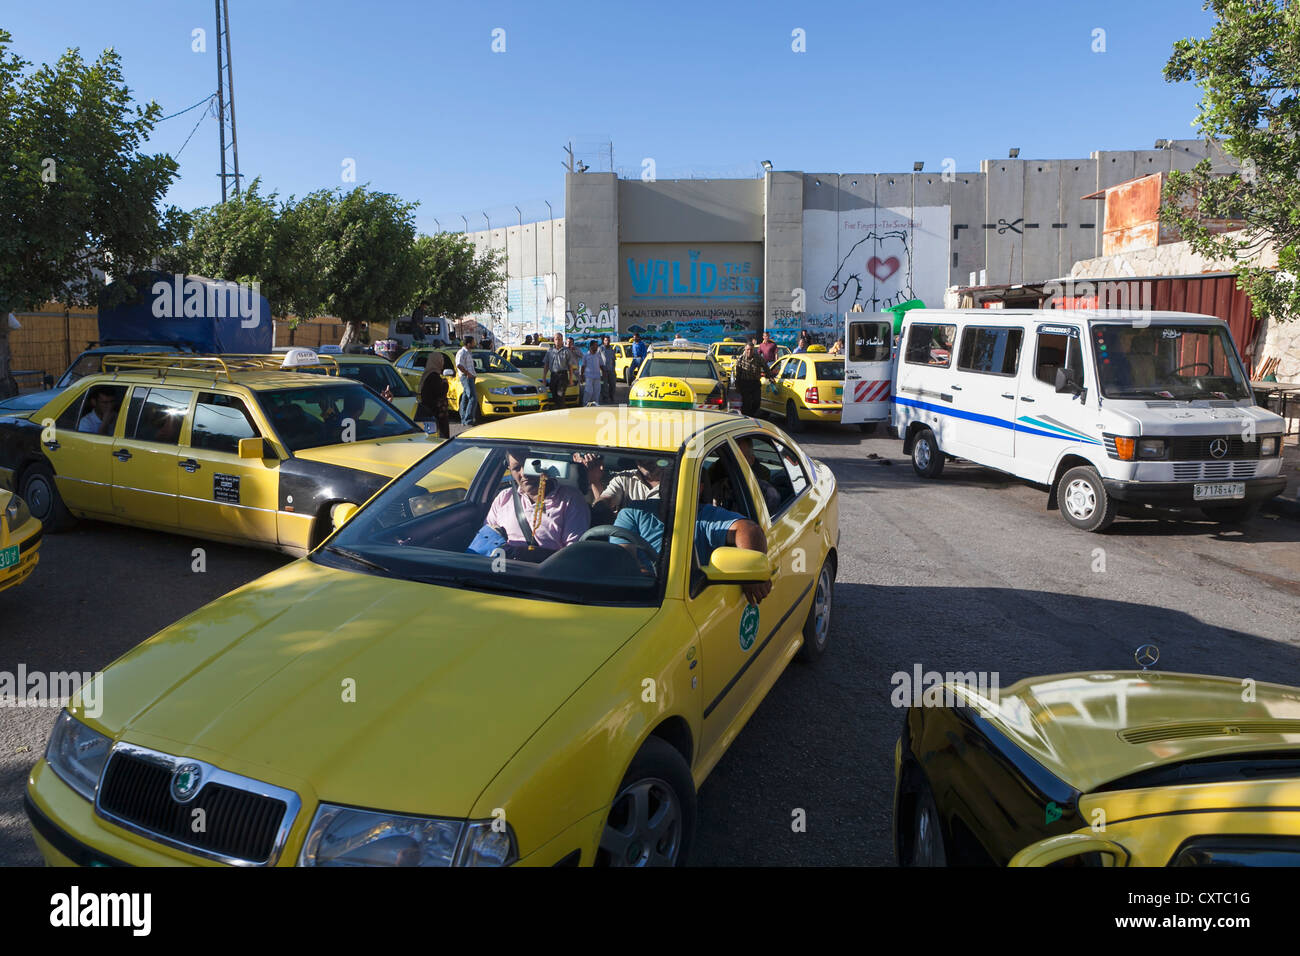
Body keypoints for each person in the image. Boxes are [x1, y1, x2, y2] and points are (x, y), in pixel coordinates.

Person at [613, 498, 771, 605]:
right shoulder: (633, 512)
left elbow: (749, 531)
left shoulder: (705, 517)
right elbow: (622, 557)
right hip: (632, 595)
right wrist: (641, 574)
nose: (671, 487)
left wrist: (751, 571)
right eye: (668, 481)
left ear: (699, 489)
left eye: (678, 480)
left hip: (679, 600)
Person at [484, 451, 591, 554]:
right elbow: (486, 538)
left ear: (544, 464)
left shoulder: (570, 499)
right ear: (510, 470)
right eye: (516, 468)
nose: (524, 473)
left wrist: (533, 555)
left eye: (530, 466)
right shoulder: (504, 498)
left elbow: (573, 554)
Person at [416, 350, 452, 439]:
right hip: (436, 412)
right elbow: (440, 392)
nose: (442, 362)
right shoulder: (433, 377)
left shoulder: (429, 374)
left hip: (430, 410)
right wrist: (445, 384)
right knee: (441, 437)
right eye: (441, 360)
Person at [733, 340, 771, 417]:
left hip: (755, 383)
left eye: (751, 349)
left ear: (753, 350)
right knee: (746, 402)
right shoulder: (740, 359)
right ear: (745, 350)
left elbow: (766, 367)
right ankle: (746, 416)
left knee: (757, 401)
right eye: (748, 349)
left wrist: (769, 376)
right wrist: (737, 385)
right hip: (745, 383)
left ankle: (752, 414)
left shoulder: (758, 358)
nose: (749, 351)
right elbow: (737, 374)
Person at [455, 336, 477, 427]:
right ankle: (468, 420)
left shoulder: (469, 352)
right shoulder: (462, 352)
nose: (474, 344)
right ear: (468, 343)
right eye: (473, 342)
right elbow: (459, 365)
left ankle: (464, 419)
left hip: (471, 376)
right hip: (466, 377)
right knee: (472, 397)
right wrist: (467, 373)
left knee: (465, 397)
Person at [544, 332, 570, 409]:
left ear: (562, 340)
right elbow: (546, 365)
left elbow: (570, 366)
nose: (558, 341)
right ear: (554, 340)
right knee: (554, 394)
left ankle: (562, 410)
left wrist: (571, 378)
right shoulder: (550, 351)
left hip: (563, 375)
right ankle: (560, 408)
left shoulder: (566, 351)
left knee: (560, 394)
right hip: (554, 375)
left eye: (559, 339)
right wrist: (544, 378)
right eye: (556, 339)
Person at [581, 340, 602, 405]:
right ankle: (585, 404)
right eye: (595, 345)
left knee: (597, 392)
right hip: (589, 377)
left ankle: (596, 404)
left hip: (597, 376)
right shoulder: (586, 355)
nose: (597, 347)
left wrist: (604, 373)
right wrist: (581, 375)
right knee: (588, 391)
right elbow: (583, 366)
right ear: (591, 346)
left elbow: (601, 365)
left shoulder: (598, 355)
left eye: (597, 346)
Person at [598, 335, 616, 404]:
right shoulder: (601, 349)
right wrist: (601, 369)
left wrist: (614, 369)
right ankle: (605, 398)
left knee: (612, 384)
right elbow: (598, 359)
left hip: (611, 370)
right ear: (603, 341)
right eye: (606, 340)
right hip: (603, 371)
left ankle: (612, 397)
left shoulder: (612, 349)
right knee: (604, 385)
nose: (607, 342)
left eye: (608, 340)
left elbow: (613, 360)